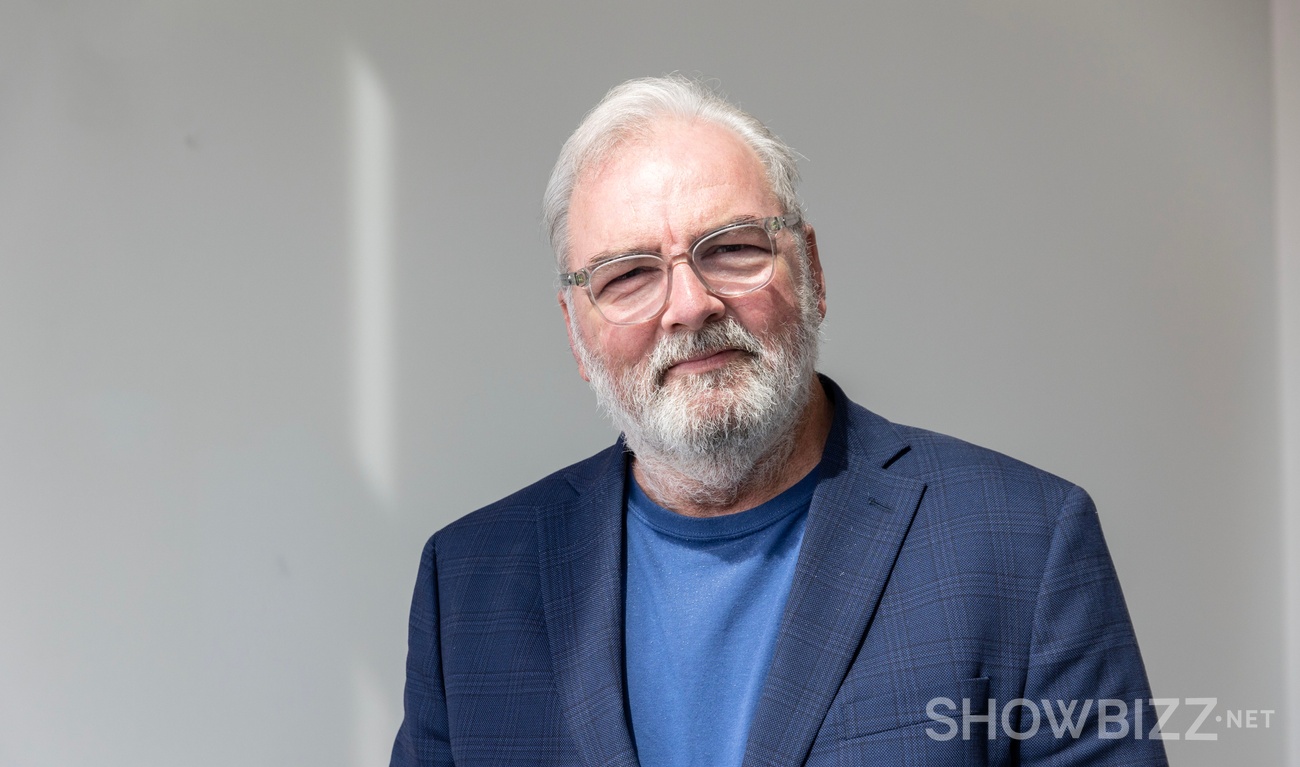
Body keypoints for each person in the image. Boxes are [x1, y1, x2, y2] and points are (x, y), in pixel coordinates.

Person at [391, 75, 1168, 766]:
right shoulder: (467, 589)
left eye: (730, 249)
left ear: (815, 272)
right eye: (629, 275)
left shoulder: (1022, 544)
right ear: (576, 332)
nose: (691, 305)